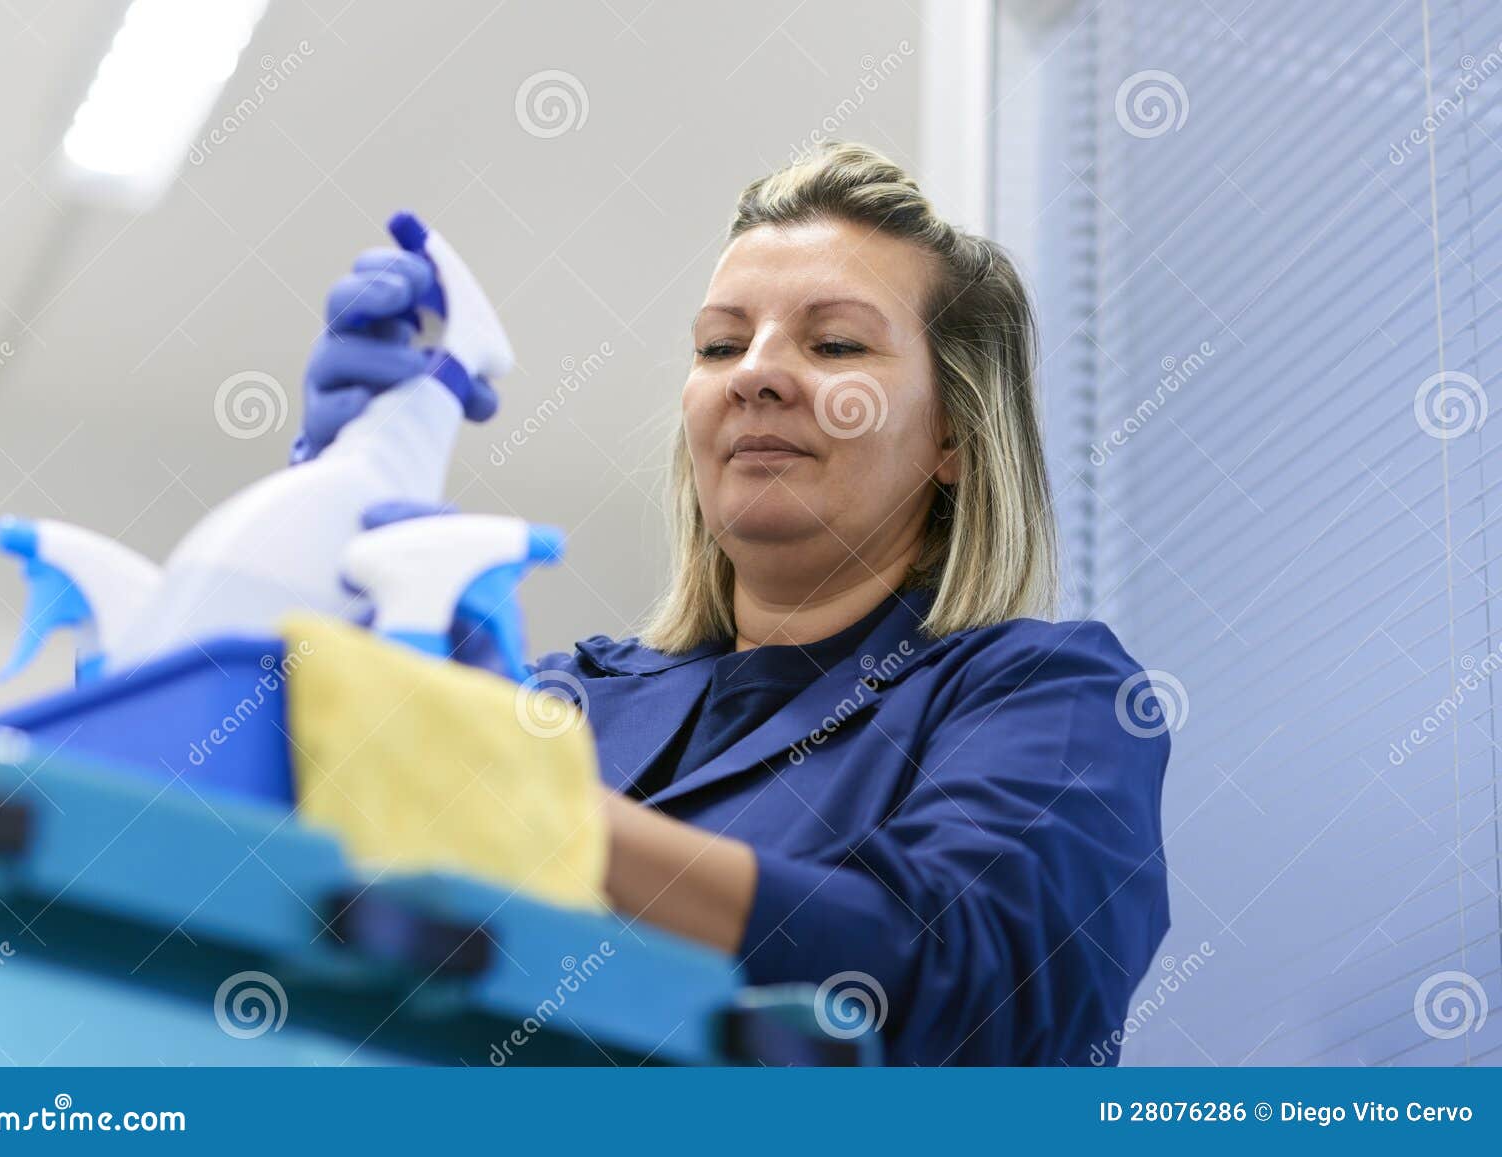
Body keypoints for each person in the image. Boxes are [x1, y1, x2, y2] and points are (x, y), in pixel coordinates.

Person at [295, 143, 1170, 1066]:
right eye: (720, 344)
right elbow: (285, 852)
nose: (755, 373)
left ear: (953, 432)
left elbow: (978, 982)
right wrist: (335, 506)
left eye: (834, 344)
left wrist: (551, 815)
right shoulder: (577, 697)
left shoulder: (1045, 694)